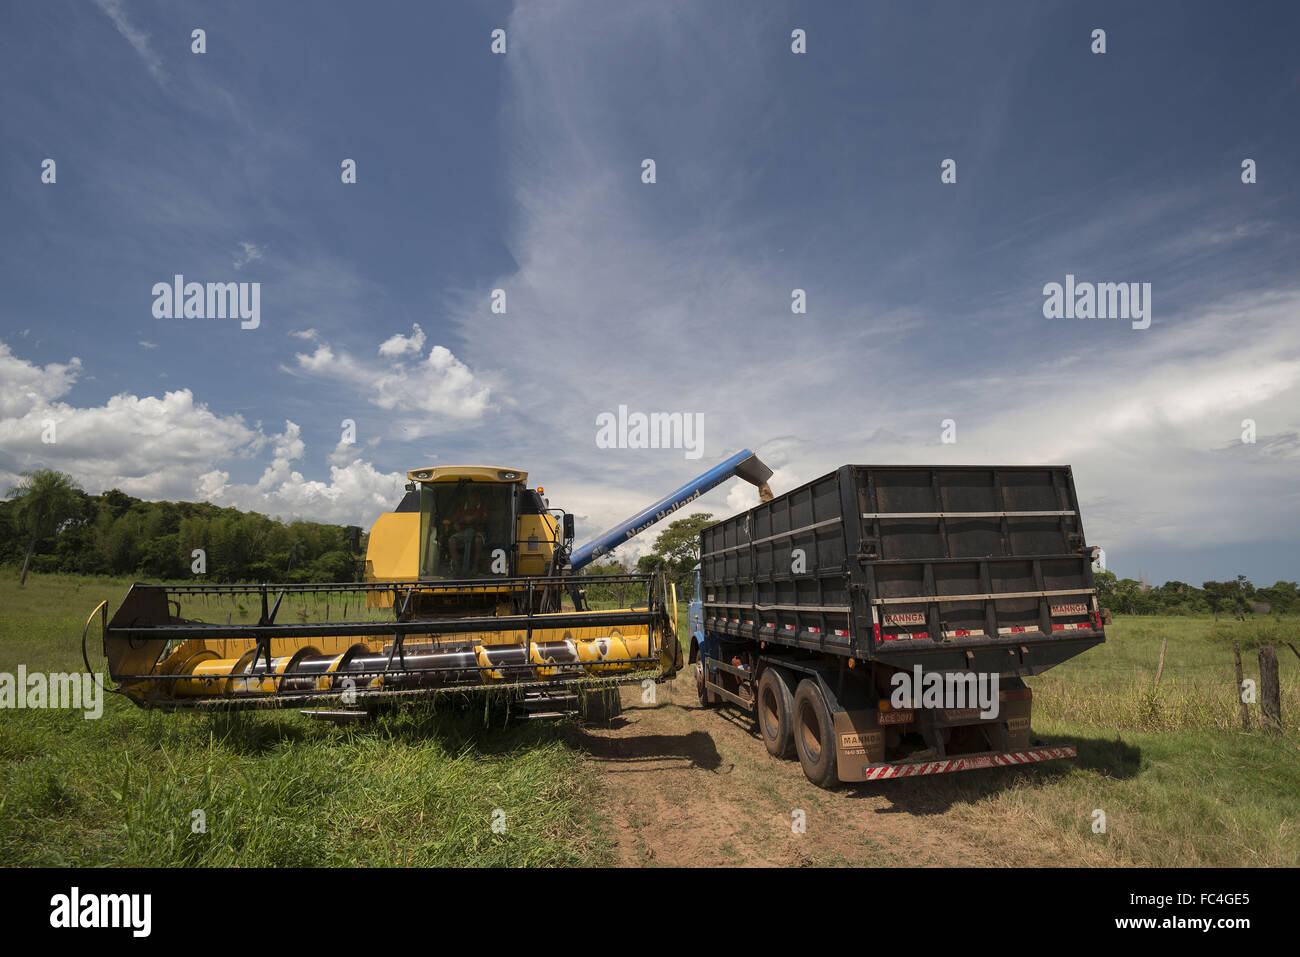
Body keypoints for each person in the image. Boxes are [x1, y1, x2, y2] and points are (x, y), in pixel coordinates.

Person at [447, 492, 488, 574]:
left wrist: (473, 519)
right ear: (468, 498)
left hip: (478, 532)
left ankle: (475, 566)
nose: (473, 499)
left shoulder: (482, 507)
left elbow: (485, 520)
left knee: (478, 540)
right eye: (471, 497)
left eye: (475, 497)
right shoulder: (461, 508)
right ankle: (456, 566)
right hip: (462, 532)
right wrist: (459, 523)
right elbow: (455, 522)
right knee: (452, 540)